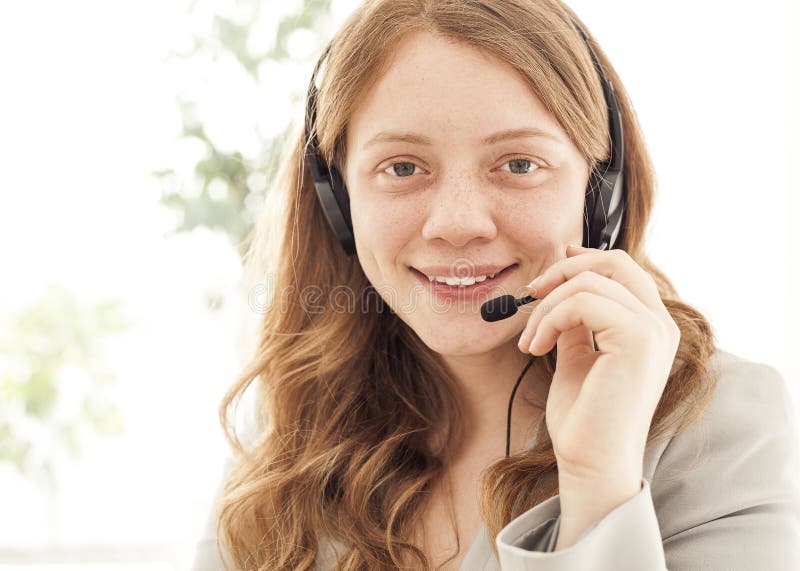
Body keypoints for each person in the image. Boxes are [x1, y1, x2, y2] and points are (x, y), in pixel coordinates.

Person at [190, 0, 800, 569]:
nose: (458, 224)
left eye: (519, 165)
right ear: (338, 200)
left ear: (599, 192)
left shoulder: (720, 423)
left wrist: (599, 486)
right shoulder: (292, 422)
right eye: (402, 167)